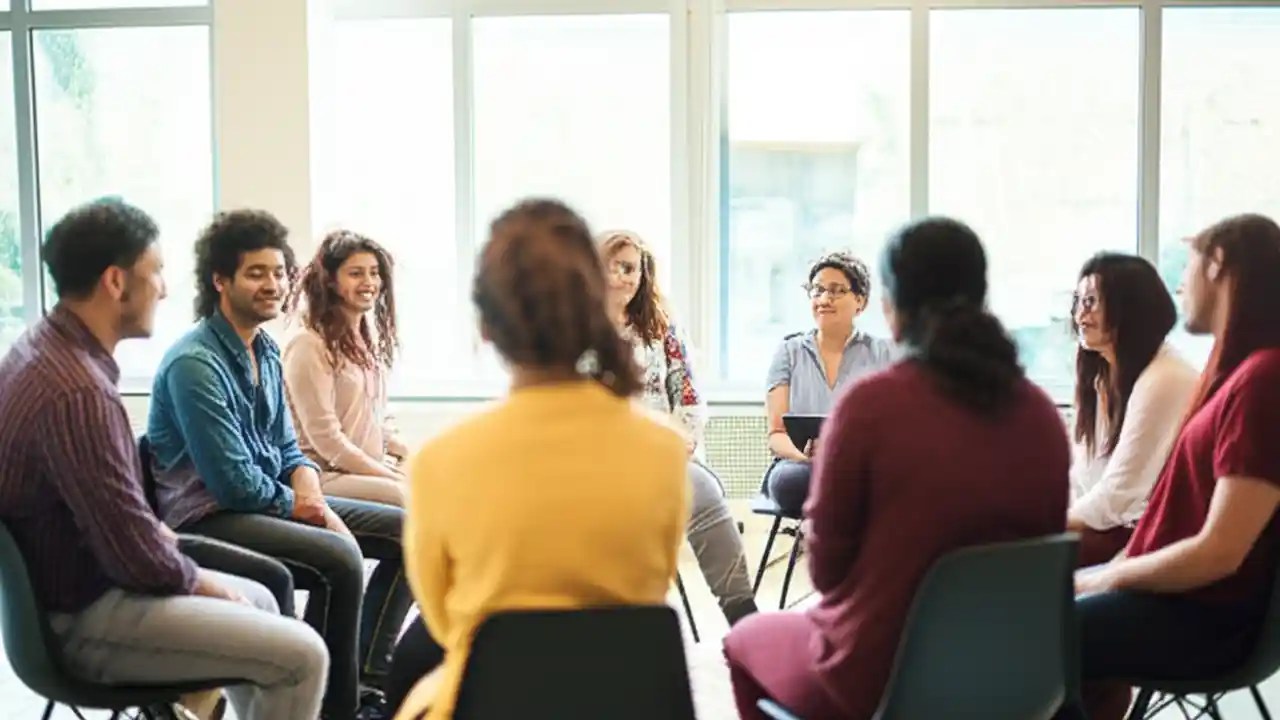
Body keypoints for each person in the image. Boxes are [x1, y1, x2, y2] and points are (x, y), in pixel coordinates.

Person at [724, 217, 1069, 720]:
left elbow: (827, 574)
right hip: (1018, 679)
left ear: (886, 305)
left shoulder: (871, 407)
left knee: (745, 638)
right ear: (982, 295)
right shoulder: (1041, 415)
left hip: (884, 681)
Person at [0, 199, 327, 720]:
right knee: (303, 655)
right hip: (81, 618)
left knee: (265, 601)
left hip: (74, 590)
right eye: (155, 272)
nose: (164, 289)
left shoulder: (43, 350)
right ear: (115, 282)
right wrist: (210, 586)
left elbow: (119, 519)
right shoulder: (77, 392)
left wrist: (175, 553)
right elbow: (136, 557)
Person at [390, 199, 688, 720]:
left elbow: (443, 619)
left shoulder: (440, 462)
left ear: (486, 326)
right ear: (594, 312)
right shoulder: (663, 452)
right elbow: (654, 587)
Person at [147, 209, 414, 720]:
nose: (272, 284)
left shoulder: (265, 350)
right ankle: (331, 706)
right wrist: (306, 507)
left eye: (278, 272)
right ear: (220, 280)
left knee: (406, 532)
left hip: (263, 501)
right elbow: (233, 484)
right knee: (339, 559)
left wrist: (309, 494)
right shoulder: (195, 364)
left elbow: (288, 449)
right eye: (256, 273)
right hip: (209, 516)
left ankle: (363, 682)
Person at [1068, 214, 1280, 720]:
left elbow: (1219, 552)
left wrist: (1107, 579)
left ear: (1218, 265)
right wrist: (1108, 574)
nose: (1180, 286)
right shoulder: (1237, 375)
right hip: (1187, 605)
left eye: (1188, 266)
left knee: (1034, 630)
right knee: (1044, 612)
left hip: (1205, 620)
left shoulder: (1262, 380)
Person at [598, 228, 758, 626]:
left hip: (663, 454)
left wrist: (681, 440)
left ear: (643, 275)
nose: (620, 276)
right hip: (600, 461)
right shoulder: (573, 335)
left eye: (629, 268)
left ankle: (743, 614)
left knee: (703, 492)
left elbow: (688, 396)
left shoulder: (663, 331)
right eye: (611, 266)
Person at [1068, 253, 1198, 567]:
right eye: (1078, 301)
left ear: (1129, 309)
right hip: (1109, 526)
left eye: (1092, 302)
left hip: (1147, 535)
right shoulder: (1100, 373)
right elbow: (1081, 477)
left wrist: (1046, 526)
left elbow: (1119, 495)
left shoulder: (1165, 378)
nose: (1081, 314)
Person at [762, 252, 896, 517]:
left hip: (861, 464)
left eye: (836, 291)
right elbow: (777, 435)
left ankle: (823, 532)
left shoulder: (883, 353)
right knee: (788, 483)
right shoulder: (789, 352)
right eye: (818, 290)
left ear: (860, 301)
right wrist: (808, 458)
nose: (824, 299)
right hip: (802, 465)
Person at [284, 230, 409, 507]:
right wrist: (390, 477)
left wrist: (404, 452)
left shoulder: (365, 343)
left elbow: (378, 417)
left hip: (365, 469)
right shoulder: (308, 345)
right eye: (355, 274)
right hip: (323, 475)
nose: (369, 282)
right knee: (405, 496)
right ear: (330, 281)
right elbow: (327, 441)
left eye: (374, 273)